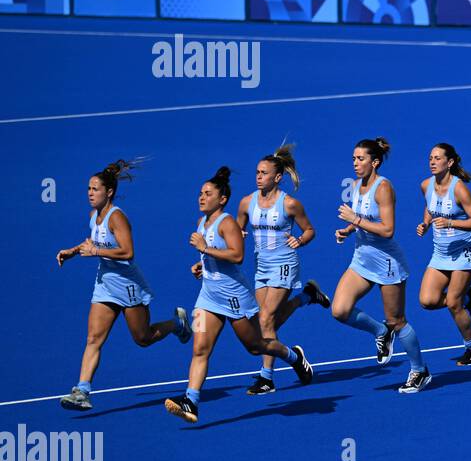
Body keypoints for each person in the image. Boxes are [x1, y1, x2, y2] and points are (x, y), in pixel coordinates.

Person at [166, 167, 313, 423]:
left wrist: (206, 249)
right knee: (200, 348)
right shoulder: (202, 223)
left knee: (255, 346)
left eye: (207, 194)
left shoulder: (228, 223)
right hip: (208, 296)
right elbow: (212, 253)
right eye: (200, 193)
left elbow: (237, 256)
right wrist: (202, 264)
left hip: (234, 297)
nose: (201, 197)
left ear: (222, 199)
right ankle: (191, 401)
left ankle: (293, 356)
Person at [56, 159, 191, 411]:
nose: (89, 193)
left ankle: (177, 324)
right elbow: (92, 241)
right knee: (94, 338)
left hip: (128, 285)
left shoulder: (117, 218)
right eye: (88, 189)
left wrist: (96, 251)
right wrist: (74, 251)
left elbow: (128, 252)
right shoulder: (93, 216)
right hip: (105, 285)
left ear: (109, 192)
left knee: (143, 338)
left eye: (95, 189)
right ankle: (82, 391)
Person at [330, 138, 431, 394]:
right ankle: (379, 331)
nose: (355, 163)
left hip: (387, 263)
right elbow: (364, 218)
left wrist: (355, 219)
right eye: (353, 158)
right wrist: (348, 229)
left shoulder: (383, 187)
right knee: (339, 310)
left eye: (360, 159)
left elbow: (387, 229)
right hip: (362, 259)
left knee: (397, 320)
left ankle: (420, 371)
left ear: (374, 162)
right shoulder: (355, 186)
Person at [236, 144, 331, 396]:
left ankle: (267, 378)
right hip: (261, 266)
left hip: (285, 264)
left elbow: (310, 230)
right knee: (265, 323)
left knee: (266, 319)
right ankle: (306, 298)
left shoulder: (289, 204)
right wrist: (239, 234)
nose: (258, 177)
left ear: (277, 177)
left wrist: (300, 240)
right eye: (257, 172)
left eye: (264, 173)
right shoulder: (246, 203)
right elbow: (236, 230)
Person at [416, 143, 471, 367]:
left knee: (452, 303)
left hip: (465, 252)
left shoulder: (459, 189)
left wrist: (450, 222)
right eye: (430, 158)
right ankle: (469, 298)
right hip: (441, 252)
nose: (432, 162)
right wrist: (426, 223)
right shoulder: (426, 185)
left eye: (437, 158)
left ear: (450, 163)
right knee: (427, 301)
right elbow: (430, 207)